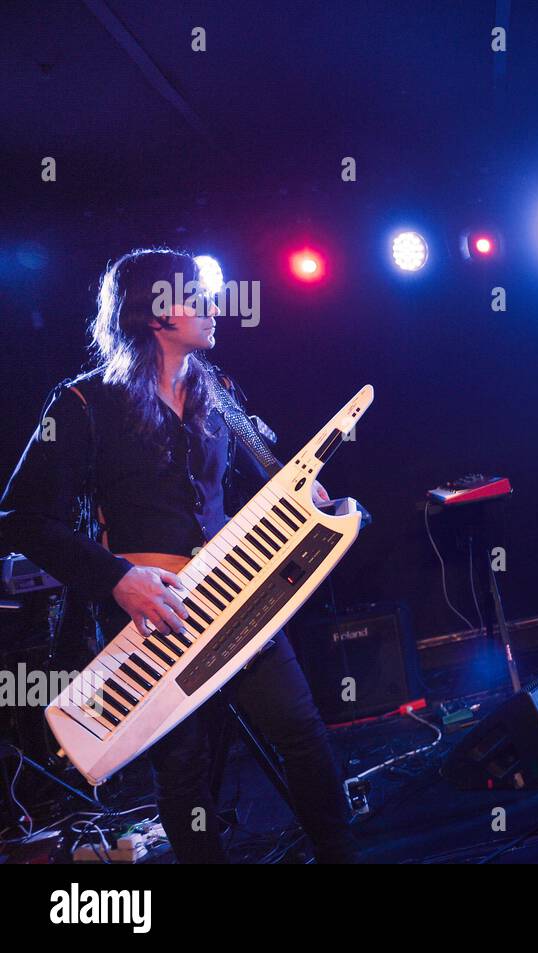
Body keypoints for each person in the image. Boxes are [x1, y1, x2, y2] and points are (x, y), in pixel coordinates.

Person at [0, 248, 358, 863]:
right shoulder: (84, 403)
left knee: (301, 733)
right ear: (157, 312)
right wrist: (116, 579)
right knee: (187, 770)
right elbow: (23, 516)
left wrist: (302, 494)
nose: (217, 308)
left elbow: (260, 481)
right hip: (155, 612)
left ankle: (344, 855)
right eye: (199, 297)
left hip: (240, 594)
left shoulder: (215, 391)